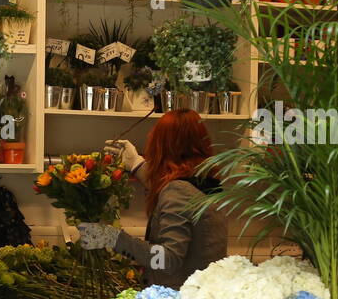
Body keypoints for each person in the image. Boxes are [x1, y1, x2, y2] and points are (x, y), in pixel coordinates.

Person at [76, 108, 228, 289]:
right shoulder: (207, 183)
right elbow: (175, 190)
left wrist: (113, 238)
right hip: (204, 296)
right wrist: (136, 164)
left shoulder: (178, 191)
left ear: (162, 146)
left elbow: (167, 260)